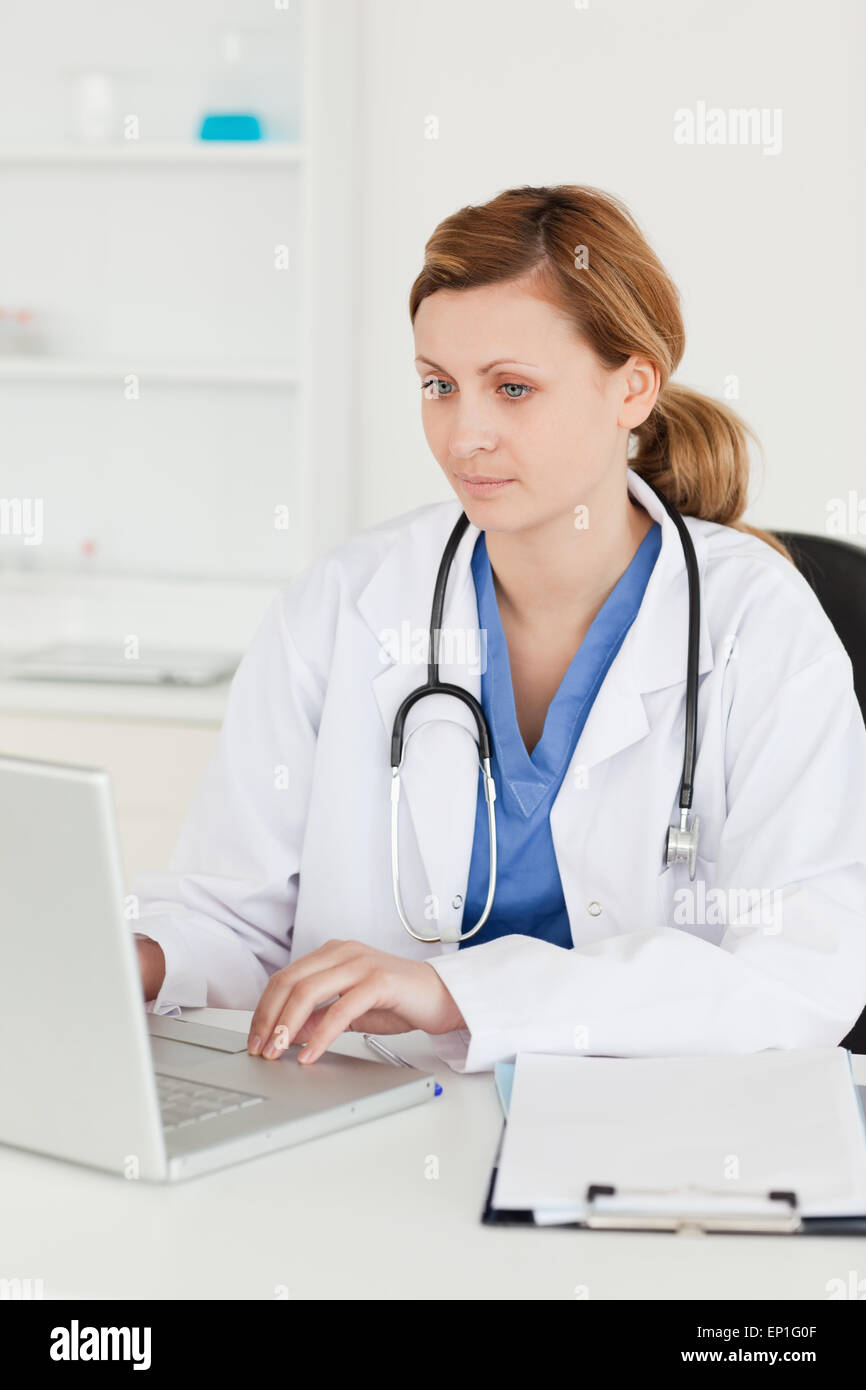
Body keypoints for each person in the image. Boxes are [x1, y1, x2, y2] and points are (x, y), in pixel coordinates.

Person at [134, 184, 866, 1074]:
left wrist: (457, 993)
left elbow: (803, 970)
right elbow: (233, 918)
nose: (464, 433)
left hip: (661, 1132)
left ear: (633, 386)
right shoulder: (343, 603)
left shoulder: (757, 620)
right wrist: (139, 961)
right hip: (372, 1127)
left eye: (512, 388)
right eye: (438, 385)